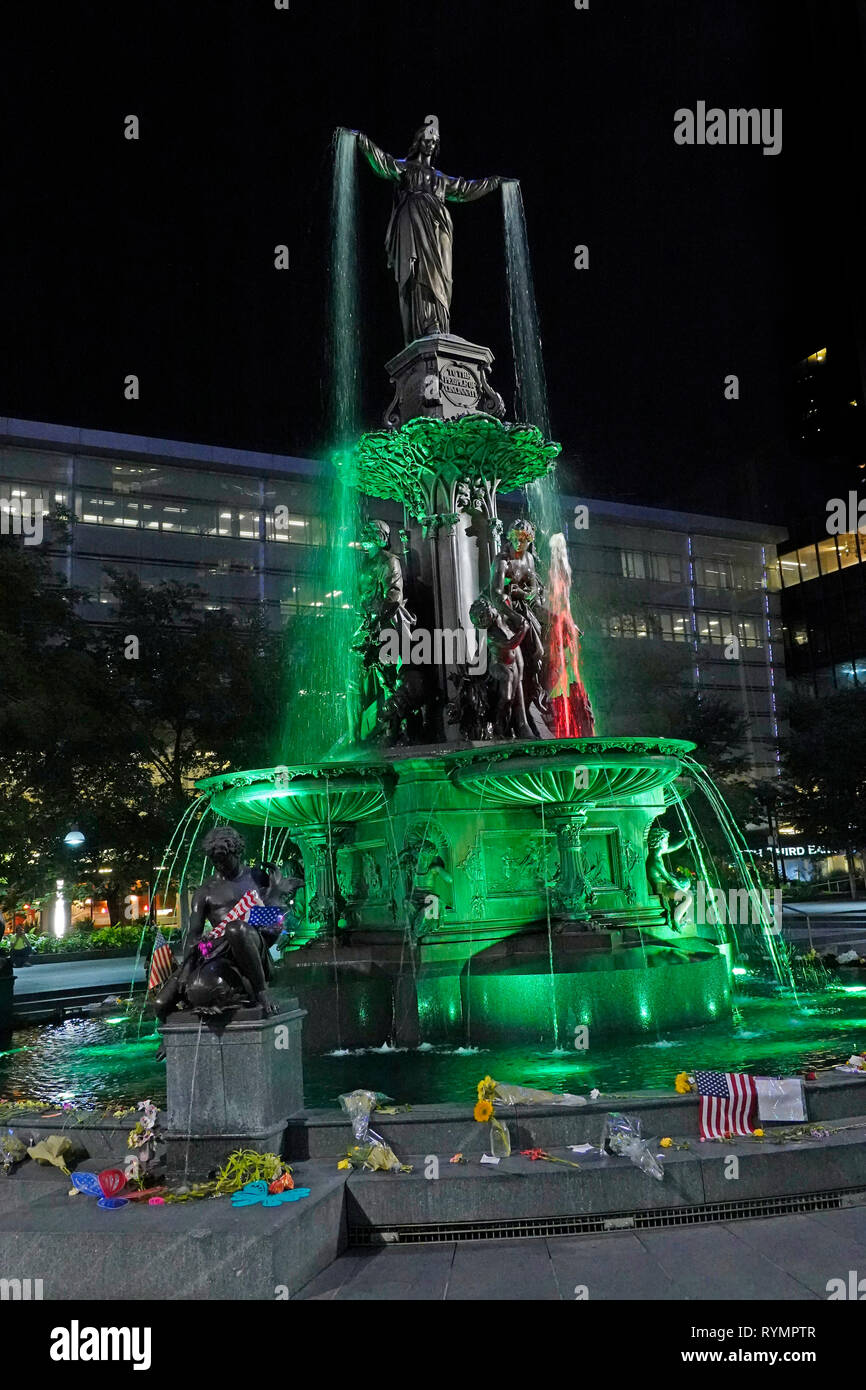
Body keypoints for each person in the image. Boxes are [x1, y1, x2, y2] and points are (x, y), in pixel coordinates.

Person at [354, 116, 503, 344]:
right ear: (418, 141)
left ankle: (440, 324)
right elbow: (383, 162)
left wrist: (495, 182)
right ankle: (424, 325)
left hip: (440, 226)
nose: (431, 144)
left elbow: (465, 189)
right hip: (414, 221)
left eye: (435, 141)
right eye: (427, 139)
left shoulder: (441, 178)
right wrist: (362, 140)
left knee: (443, 275)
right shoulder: (405, 168)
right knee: (419, 272)